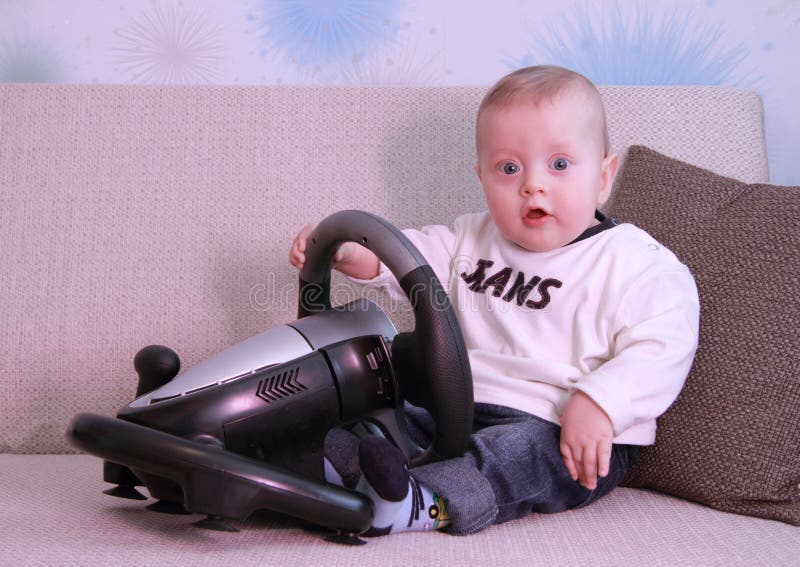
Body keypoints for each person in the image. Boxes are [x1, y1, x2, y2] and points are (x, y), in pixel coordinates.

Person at [289, 65, 700, 536]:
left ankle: (422, 503)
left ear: (604, 176)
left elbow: (664, 345)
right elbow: (407, 258)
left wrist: (601, 402)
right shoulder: (472, 238)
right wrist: (346, 251)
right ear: (482, 177)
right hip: (455, 409)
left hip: (558, 423)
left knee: (519, 455)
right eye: (509, 169)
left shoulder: (636, 264)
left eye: (560, 165)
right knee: (379, 422)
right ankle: (327, 470)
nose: (533, 185)